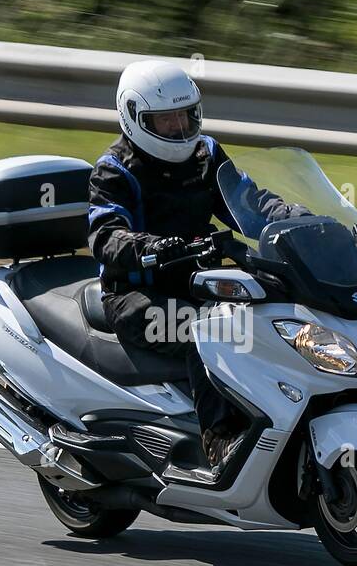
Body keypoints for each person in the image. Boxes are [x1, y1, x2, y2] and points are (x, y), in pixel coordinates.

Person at [88, 59, 307, 473]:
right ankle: (220, 439)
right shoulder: (114, 170)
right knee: (203, 333)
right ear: (134, 117)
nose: (178, 127)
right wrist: (152, 246)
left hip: (200, 280)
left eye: (185, 115)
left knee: (271, 318)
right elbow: (105, 235)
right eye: (166, 119)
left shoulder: (205, 154)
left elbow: (247, 201)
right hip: (136, 293)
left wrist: (291, 216)